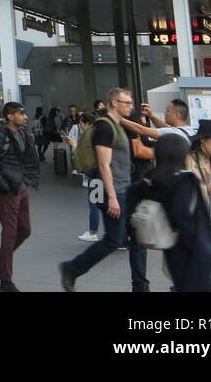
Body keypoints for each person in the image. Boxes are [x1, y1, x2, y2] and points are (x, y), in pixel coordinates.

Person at [60, 88, 150, 293]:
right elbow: (104, 164)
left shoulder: (117, 126)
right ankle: (72, 268)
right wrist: (112, 198)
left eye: (130, 102)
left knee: (136, 238)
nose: (130, 106)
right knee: (114, 239)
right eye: (125, 102)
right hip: (114, 191)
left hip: (122, 189)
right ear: (113, 104)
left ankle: (141, 287)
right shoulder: (105, 128)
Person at [129, 134, 211, 292]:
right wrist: (195, 242)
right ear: (182, 154)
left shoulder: (151, 180)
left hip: (172, 249)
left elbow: (131, 193)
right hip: (195, 251)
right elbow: (181, 213)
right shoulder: (185, 179)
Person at [0, 100, 39, 291]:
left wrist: (27, 180)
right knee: (10, 232)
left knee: (25, 230)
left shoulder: (23, 133)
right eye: (21, 114)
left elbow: (29, 158)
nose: (25, 117)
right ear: (10, 116)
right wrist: (5, 186)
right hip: (8, 189)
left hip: (20, 186)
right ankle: (6, 280)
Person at [69, 111, 101, 240]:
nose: (80, 125)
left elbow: (83, 156)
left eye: (81, 123)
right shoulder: (99, 133)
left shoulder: (88, 135)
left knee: (94, 203)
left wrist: (74, 145)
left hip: (94, 175)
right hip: (103, 174)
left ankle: (93, 232)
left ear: (86, 123)